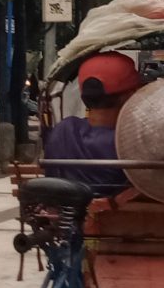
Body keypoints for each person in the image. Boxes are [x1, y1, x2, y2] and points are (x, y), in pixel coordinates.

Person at [41, 53, 142, 193]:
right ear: (130, 96)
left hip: (64, 210)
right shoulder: (133, 141)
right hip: (120, 212)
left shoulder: (63, 129)